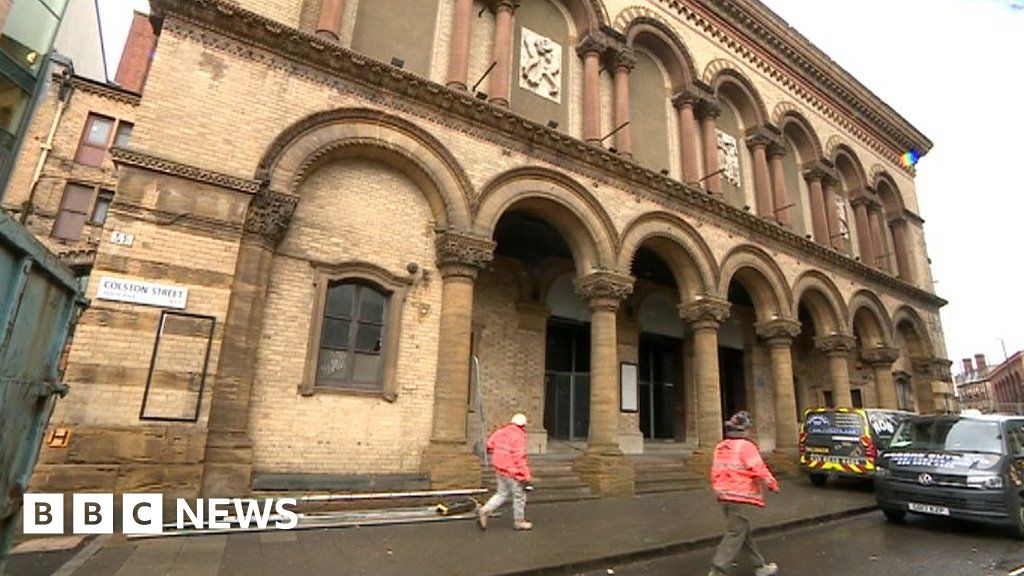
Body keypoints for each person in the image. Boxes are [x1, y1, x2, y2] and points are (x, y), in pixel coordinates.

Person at [708, 411, 780, 576]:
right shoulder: (746, 446)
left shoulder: (721, 446)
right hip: (740, 495)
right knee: (735, 533)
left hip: (723, 495)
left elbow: (716, 470)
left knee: (743, 531)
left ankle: (760, 566)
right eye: (748, 428)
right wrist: (771, 483)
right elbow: (758, 467)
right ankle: (718, 569)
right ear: (744, 429)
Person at [477, 413, 533, 531]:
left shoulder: (501, 431)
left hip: (500, 469)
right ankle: (519, 522)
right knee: (519, 497)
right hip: (513, 472)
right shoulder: (519, 436)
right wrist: (526, 475)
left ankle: (485, 510)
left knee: (501, 493)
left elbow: (489, 444)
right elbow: (519, 457)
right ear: (523, 425)